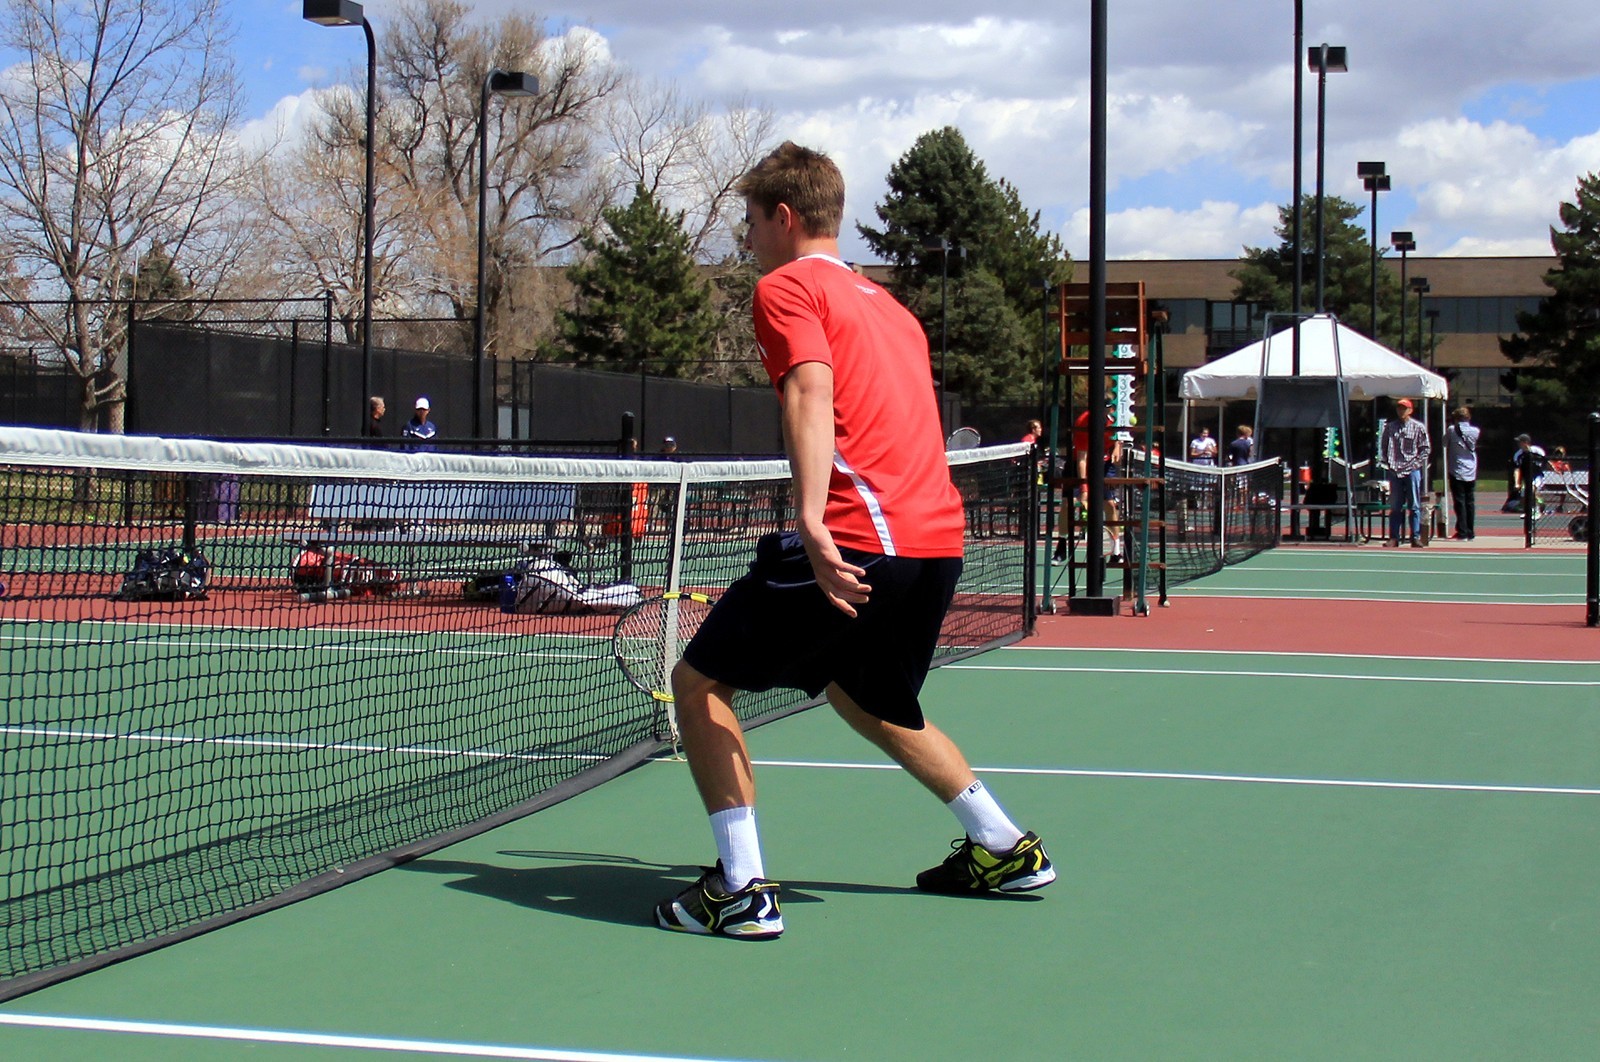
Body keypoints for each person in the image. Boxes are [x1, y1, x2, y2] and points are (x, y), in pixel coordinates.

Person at [654, 142, 1053, 941]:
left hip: (852, 537)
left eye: (750, 220)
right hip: (935, 541)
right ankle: (1003, 844)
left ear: (785, 216)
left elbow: (810, 387)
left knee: (697, 685)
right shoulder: (894, 309)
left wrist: (809, 517)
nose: (748, 236)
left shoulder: (787, 286)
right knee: (867, 697)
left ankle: (739, 890)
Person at [1380, 398, 1431, 547]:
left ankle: (1415, 537)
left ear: (1410, 410)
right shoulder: (1390, 427)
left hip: (1412, 470)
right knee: (1395, 505)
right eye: (1399, 408)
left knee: (1414, 505)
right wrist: (1388, 463)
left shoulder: (1418, 427)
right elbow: (1384, 446)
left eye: (1404, 408)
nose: (1401, 411)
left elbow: (1425, 448)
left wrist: (1416, 464)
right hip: (1395, 470)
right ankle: (1394, 537)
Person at [1444, 406, 1479, 539]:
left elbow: (1444, 442)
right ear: (1468, 417)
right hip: (1471, 468)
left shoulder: (1452, 430)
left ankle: (1462, 531)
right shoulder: (1475, 431)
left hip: (1457, 468)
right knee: (1470, 501)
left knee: (1459, 501)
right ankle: (1470, 531)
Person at [1511, 433, 1547, 515]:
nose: (1518, 444)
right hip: (1527, 478)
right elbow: (1517, 469)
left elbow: (1546, 461)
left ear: (1526, 442)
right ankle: (1531, 510)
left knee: (1531, 491)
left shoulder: (1537, 451)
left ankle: (1536, 511)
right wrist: (1517, 483)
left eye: (1520, 442)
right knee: (1524, 496)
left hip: (1538, 476)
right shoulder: (1518, 455)